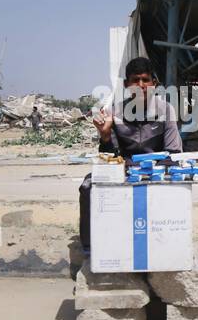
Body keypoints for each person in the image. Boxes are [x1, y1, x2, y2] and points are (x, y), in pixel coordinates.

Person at [78, 57, 183, 255]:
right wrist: (106, 135)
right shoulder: (115, 113)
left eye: (145, 80)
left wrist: (150, 171)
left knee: (180, 187)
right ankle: (91, 250)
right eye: (135, 80)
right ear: (127, 84)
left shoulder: (166, 110)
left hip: (157, 171)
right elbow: (109, 159)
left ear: (154, 84)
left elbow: (174, 153)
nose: (141, 86)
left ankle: (169, 243)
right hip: (124, 171)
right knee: (88, 186)